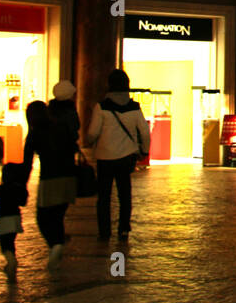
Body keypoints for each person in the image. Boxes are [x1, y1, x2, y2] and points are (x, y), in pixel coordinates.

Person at [85, 69, 150, 241]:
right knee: (125, 194)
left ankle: (104, 231)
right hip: (126, 157)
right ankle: (123, 228)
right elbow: (145, 132)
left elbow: (93, 132)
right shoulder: (134, 107)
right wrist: (144, 150)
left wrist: (90, 141)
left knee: (104, 196)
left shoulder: (101, 107)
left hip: (105, 157)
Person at [24, 99, 77, 269]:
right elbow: (73, 146)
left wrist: (22, 184)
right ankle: (57, 246)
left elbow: (27, 162)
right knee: (58, 216)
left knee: (43, 218)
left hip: (49, 179)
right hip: (68, 178)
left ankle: (55, 244)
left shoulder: (35, 133)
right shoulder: (61, 126)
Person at [0, 162, 28, 282]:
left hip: (4, 219)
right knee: (11, 242)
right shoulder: (20, 188)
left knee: (4, 243)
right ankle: (11, 265)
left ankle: (11, 261)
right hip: (16, 219)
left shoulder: (1, 188)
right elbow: (23, 203)